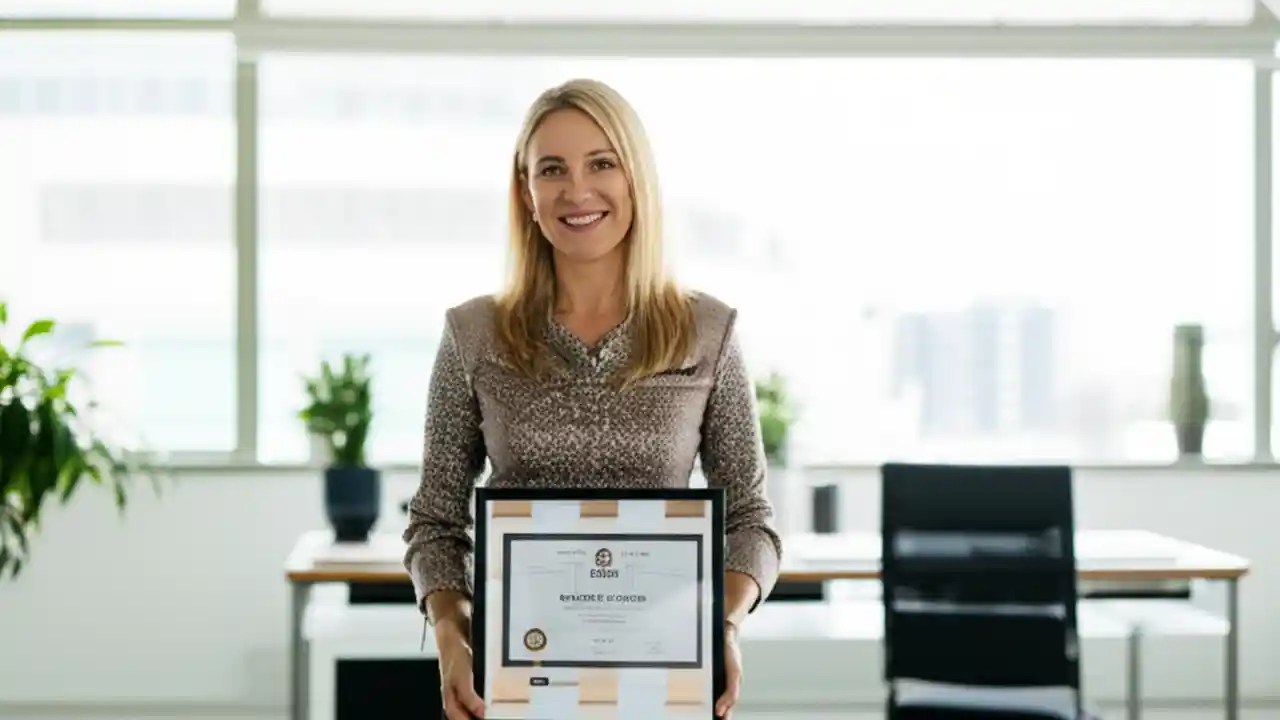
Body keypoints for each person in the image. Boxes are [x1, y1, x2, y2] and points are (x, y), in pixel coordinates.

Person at [402, 77, 782, 720]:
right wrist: (450, 638)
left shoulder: (708, 331)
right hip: (521, 682)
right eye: (551, 169)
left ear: (636, 178)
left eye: (601, 163)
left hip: (664, 682)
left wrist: (723, 626)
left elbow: (751, 519)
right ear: (526, 193)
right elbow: (436, 523)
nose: (577, 190)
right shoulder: (474, 334)